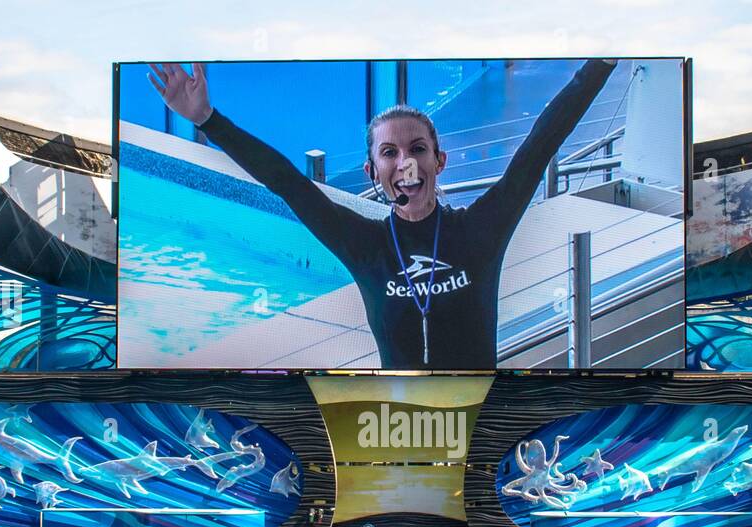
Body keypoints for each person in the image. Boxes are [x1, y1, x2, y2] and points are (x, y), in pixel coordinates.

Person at [149, 59, 617, 370]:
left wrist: (602, 62)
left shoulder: (480, 231)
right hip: (397, 426)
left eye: (418, 149)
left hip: (479, 419)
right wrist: (209, 119)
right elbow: (287, 182)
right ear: (374, 172)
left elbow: (540, 146)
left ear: (440, 161)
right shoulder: (365, 245)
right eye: (390, 153)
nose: (406, 163)